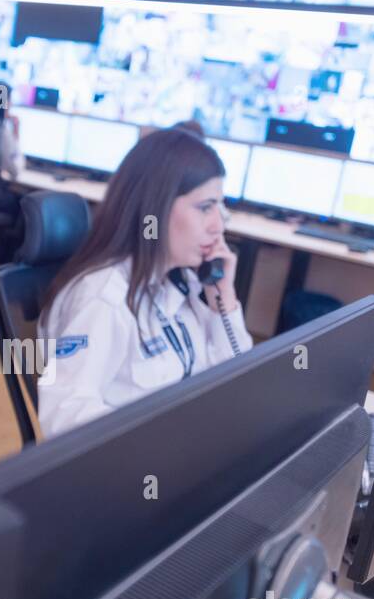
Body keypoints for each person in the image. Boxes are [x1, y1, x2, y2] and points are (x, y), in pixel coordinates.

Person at [37, 127, 254, 437]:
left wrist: (224, 300)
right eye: (205, 207)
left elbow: (239, 384)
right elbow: (65, 416)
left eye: (221, 207)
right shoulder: (104, 298)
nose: (219, 225)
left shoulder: (181, 282)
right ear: (156, 207)